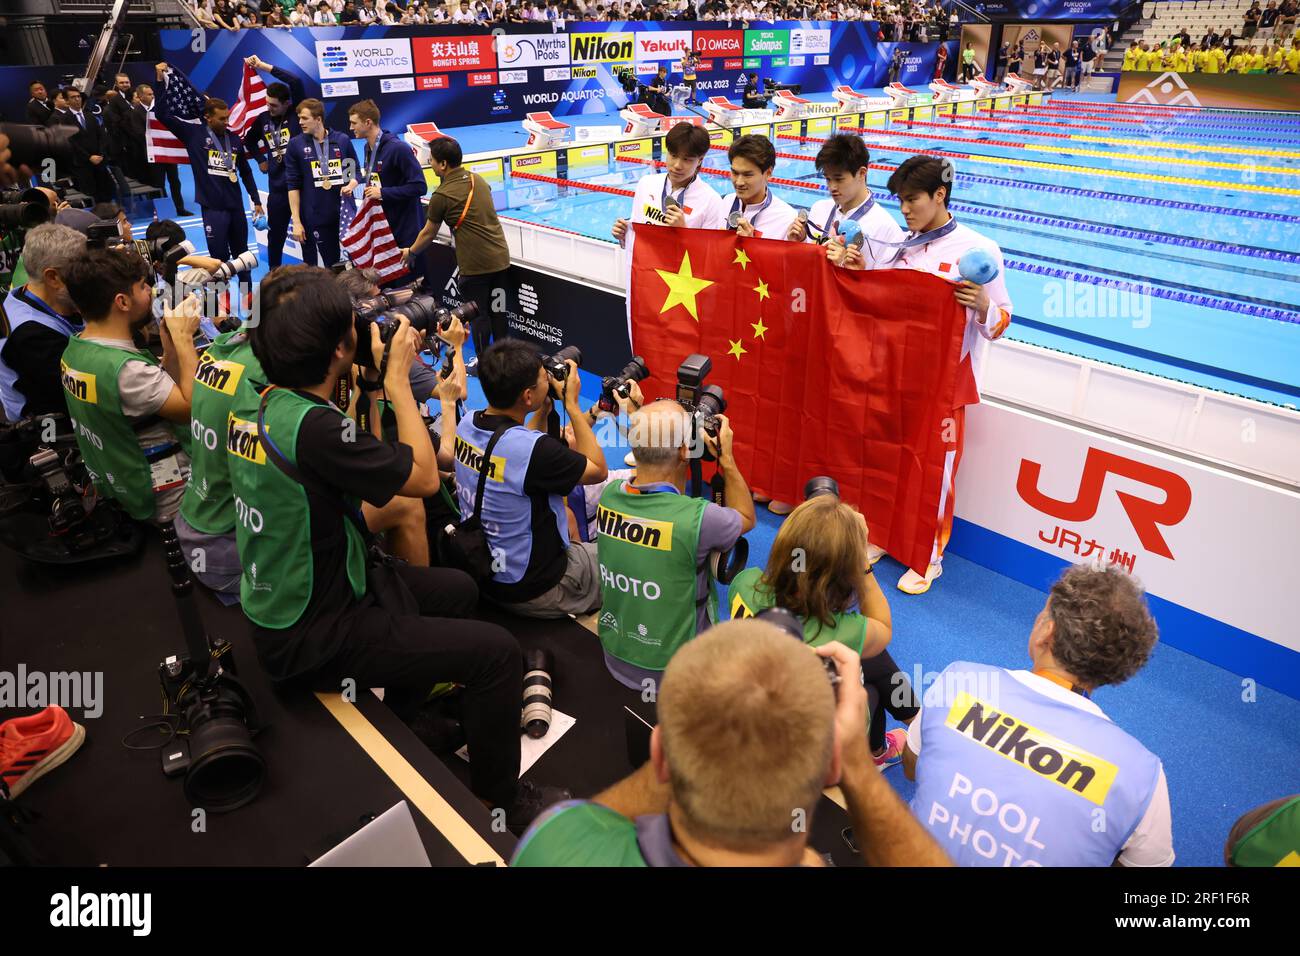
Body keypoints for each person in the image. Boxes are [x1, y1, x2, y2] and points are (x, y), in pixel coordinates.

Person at [225, 269, 564, 827]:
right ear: (340, 348)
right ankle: (498, 799)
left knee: (456, 589)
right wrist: (398, 380)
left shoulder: (266, 401)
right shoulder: (315, 429)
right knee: (496, 653)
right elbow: (427, 478)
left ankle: (412, 713)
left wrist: (370, 385)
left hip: (286, 601)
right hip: (316, 631)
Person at [511, 619, 952, 866]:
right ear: (832, 765)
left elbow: (591, 819)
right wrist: (858, 765)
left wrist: (696, 738)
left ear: (660, 754)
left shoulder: (552, 842)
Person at [904, 564, 1173, 867]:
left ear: (1048, 631)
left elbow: (913, 767)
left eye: (1045, 612)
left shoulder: (958, 681)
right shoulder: (1141, 773)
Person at [839, 155, 1011, 595]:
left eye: (912, 200)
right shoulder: (903, 245)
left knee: (933, 471)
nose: (906, 210)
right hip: (893, 375)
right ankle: (881, 535)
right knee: (886, 459)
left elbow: (1000, 324)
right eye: (899, 201)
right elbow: (885, 306)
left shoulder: (979, 251)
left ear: (940, 195)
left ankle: (928, 556)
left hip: (943, 383)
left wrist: (981, 306)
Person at [728, 494, 919, 768]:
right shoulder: (839, 630)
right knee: (869, 680)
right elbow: (883, 627)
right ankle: (881, 749)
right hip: (808, 753)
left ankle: (915, 721)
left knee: (867, 651)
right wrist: (863, 559)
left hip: (754, 709)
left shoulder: (744, 581)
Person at [596, 399, 754, 689]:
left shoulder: (609, 497)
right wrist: (727, 460)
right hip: (675, 674)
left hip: (614, 654)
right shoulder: (699, 519)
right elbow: (746, 516)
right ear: (685, 451)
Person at [456, 339, 608, 617]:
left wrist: (541, 410)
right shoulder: (535, 452)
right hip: (534, 588)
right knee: (627, 561)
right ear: (527, 395)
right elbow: (598, 470)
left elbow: (521, 450)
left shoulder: (466, 424)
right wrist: (572, 406)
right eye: (543, 378)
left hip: (484, 572)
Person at [58, 247, 196, 524]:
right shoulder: (128, 371)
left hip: (119, 482)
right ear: (122, 301)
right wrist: (184, 339)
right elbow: (190, 410)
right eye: (143, 286)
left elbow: (157, 390)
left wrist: (169, 346)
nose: (151, 292)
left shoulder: (75, 350)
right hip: (170, 497)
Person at [402, 136, 512, 369]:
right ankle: (507, 362)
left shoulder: (441, 195)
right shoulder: (478, 179)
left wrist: (410, 252)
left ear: (443, 164)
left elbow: (428, 233)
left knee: (481, 315)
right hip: (501, 260)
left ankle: (486, 366)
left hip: (476, 267)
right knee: (499, 311)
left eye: (431, 160)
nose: (429, 165)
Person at [153, 64, 264, 263]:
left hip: (236, 206)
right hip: (213, 209)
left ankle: (248, 295)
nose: (226, 122)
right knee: (217, 262)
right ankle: (221, 295)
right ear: (208, 118)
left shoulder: (235, 139)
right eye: (222, 119)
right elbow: (162, 115)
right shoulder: (192, 134)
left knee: (243, 257)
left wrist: (256, 201)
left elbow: (246, 173)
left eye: (228, 118)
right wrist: (160, 81)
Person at [0, 225, 87, 422]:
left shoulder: (27, 292)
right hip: (49, 429)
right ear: (53, 277)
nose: (90, 276)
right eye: (81, 270)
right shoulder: (28, 334)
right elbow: (84, 396)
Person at [787, 133, 905, 267]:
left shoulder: (886, 229)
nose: (832, 187)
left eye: (839, 179)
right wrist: (798, 243)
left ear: (861, 173)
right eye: (828, 179)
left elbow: (883, 286)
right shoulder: (819, 209)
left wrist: (847, 270)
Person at [342, 100, 428, 279]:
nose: (350, 127)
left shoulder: (399, 149)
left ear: (368, 122)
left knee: (410, 285)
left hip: (405, 230)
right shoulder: (368, 147)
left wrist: (383, 193)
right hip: (384, 228)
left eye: (354, 123)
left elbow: (420, 186)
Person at [612, 121, 726, 253]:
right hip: (648, 269)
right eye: (673, 155)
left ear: (700, 160)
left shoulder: (711, 201)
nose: (677, 165)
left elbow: (710, 255)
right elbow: (638, 237)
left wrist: (684, 232)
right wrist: (623, 235)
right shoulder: (646, 184)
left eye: (687, 159)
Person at [243, 55, 306, 270]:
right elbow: (249, 141)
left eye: (274, 105)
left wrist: (262, 66)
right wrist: (260, 159)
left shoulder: (297, 113)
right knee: (276, 235)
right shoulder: (263, 119)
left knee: (305, 235)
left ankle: (311, 275)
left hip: (302, 187)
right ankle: (274, 273)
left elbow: (296, 82)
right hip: (278, 187)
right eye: (267, 103)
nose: (269, 108)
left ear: (287, 103)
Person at [285, 98, 353, 268]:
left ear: (318, 119)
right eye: (299, 118)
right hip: (315, 216)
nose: (300, 122)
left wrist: (352, 184)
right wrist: (297, 221)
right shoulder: (295, 145)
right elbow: (293, 186)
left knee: (344, 264)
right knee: (320, 265)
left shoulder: (342, 140)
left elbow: (354, 172)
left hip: (342, 213)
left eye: (304, 118)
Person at [718, 134, 797, 241]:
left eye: (748, 175)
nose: (739, 182)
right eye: (735, 173)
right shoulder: (725, 202)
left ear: (768, 173)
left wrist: (751, 245)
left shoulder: (786, 218)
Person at [134, 84, 192, 216]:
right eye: (149, 94)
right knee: (158, 183)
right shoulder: (136, 112)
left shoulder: (159, 109)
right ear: (140, 96)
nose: (152, 96)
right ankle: (164, 210)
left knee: (175, 181)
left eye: (152, 94)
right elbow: (138, 133)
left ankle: (179, 208)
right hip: (153, 153)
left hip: (168, 152)